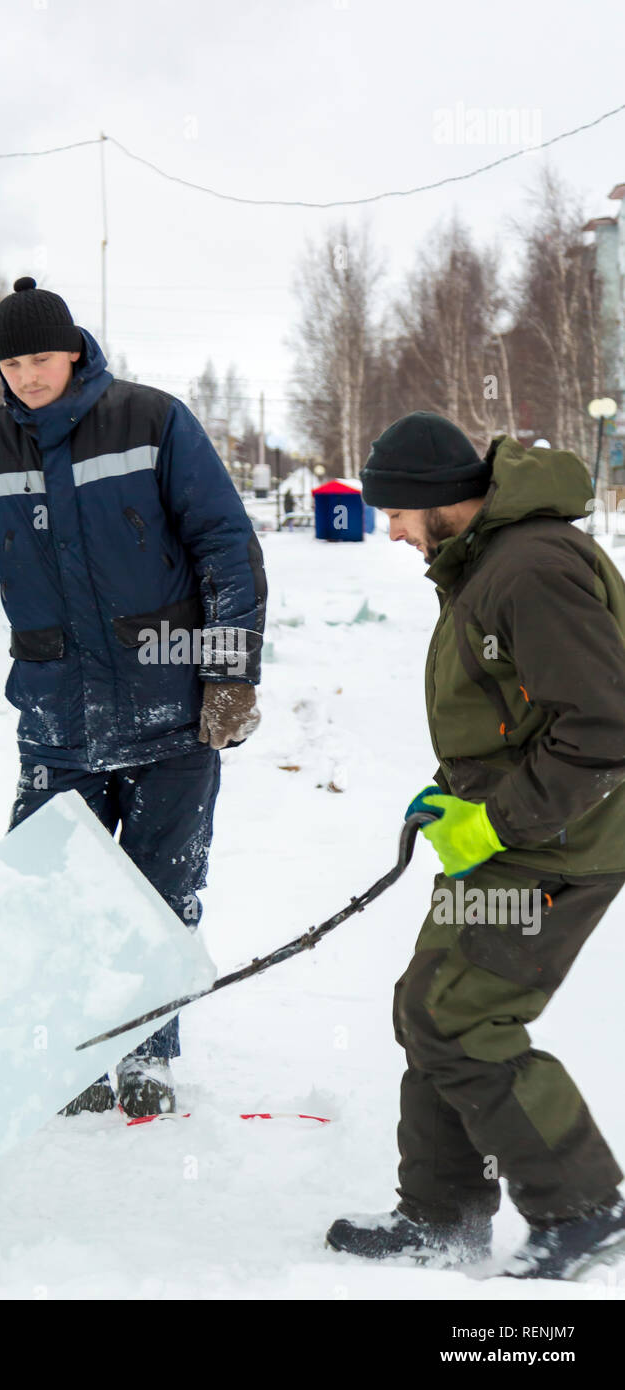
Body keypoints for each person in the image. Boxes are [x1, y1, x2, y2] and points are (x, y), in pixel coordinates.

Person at [0, 277, 267, 1118]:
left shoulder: (153, 422)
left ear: (74, 349)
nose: (27, 375)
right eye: (12, 362)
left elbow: (224, 542)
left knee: (160, 894)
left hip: (171, 714)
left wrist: (231, 671)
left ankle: (147, 1054)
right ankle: (71, 1054)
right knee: (51, 897)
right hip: (56, 721)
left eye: (40, 356)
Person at [325, 411, 625, 1279]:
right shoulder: (490, 561)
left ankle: (582, 1208)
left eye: (397, 512)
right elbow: (516, 710)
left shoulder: (530, 569)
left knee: (462, 1013)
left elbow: (604, 733)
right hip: (516, 830)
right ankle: (442, 1216)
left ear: (436, 500)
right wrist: (459, 793)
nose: (391, 530)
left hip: (564, 838)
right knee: (431, 1005)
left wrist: (492, 819)